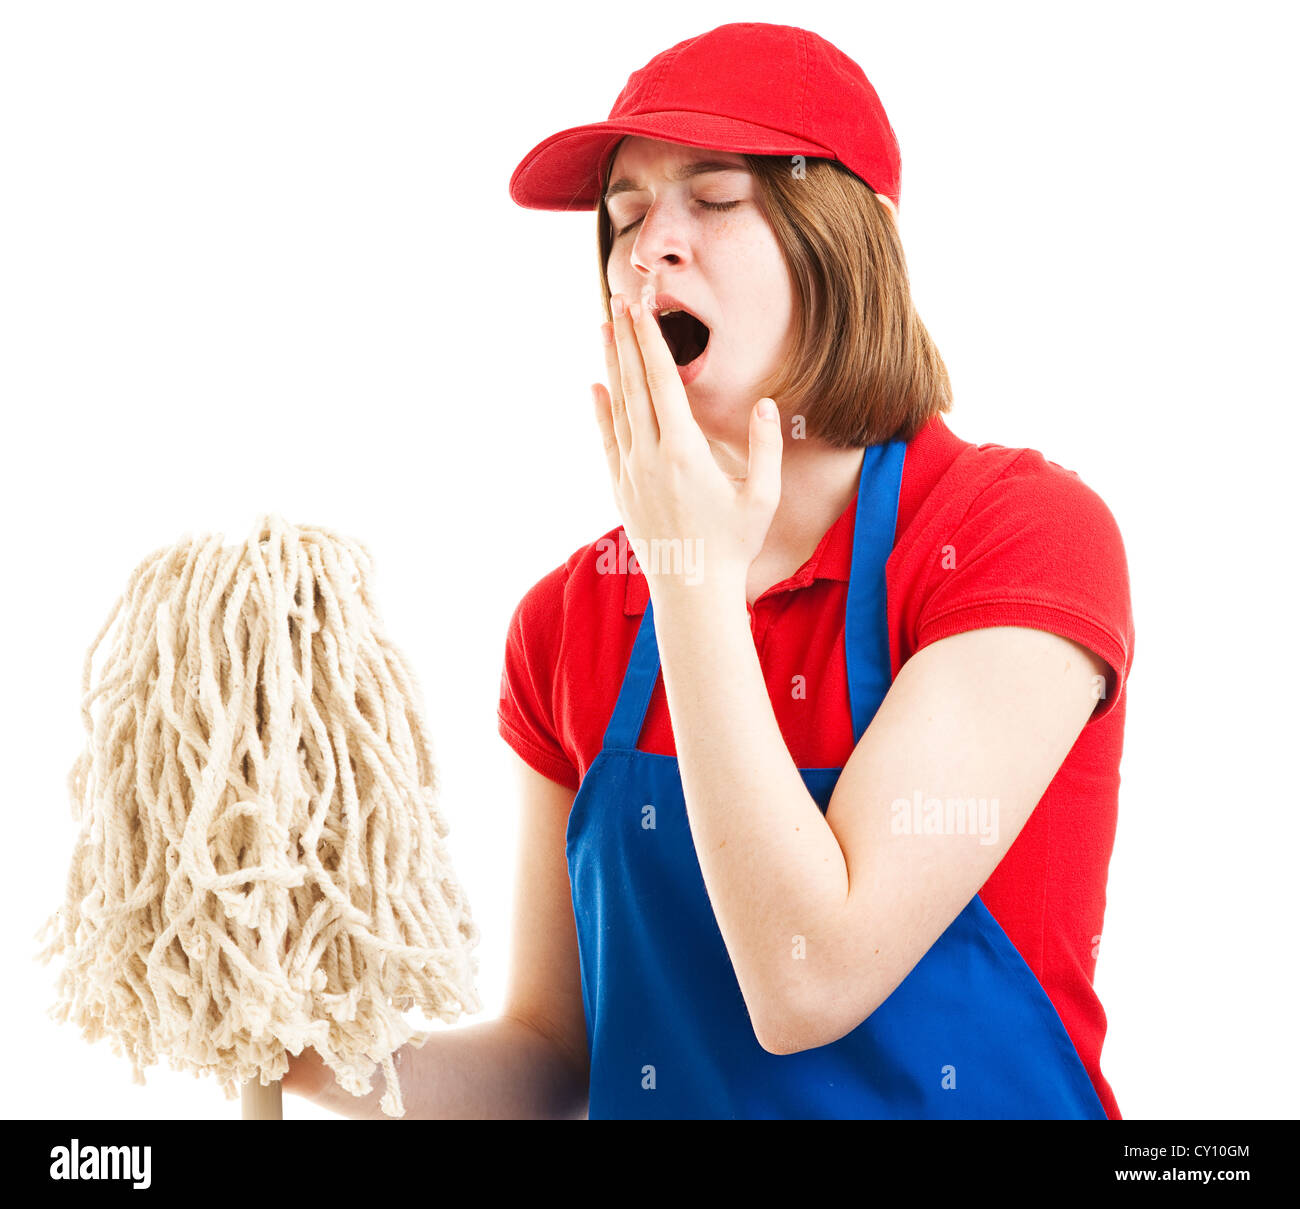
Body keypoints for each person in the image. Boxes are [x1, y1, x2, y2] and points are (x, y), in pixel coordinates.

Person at [285, 21, 1133, 1120]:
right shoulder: (568, 619)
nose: (648, 249)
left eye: (715, 200)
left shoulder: (1014, 535)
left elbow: (808, 976)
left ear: (841, 241)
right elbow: (555, 1059)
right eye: (626, 216)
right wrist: (307, 1046)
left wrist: (688, 573)